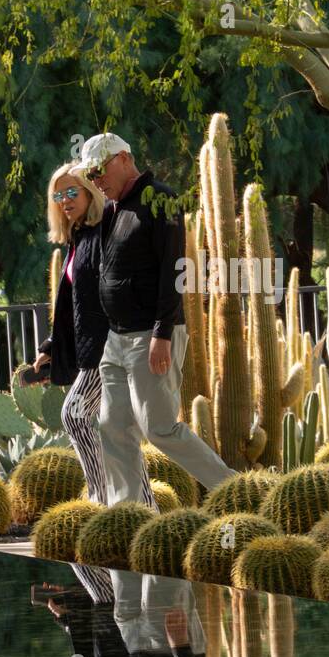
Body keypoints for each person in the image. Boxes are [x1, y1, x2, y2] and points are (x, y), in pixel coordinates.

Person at [81, 132, 233, 503]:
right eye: (91, 175)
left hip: (150, 335)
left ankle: (233, 489)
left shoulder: (160, 199)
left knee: (159, 428)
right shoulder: (114, 210)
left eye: (100, 171)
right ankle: (128, 511)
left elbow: (173, 270)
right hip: (115, 340)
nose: (97, 180)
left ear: (124, 158)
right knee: (112, 426)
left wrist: (162, 332)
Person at [34, 162, 111, 506]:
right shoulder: (78, 239)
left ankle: (100, 496)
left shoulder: (100, 232)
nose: (64, 200)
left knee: (74, 415)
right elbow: (70, 305)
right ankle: (141, 504)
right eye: (58, 195)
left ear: (89, 192)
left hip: (107, 348)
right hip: (88, 349)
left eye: (71, 192)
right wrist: (51, 346)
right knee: (116, 432)